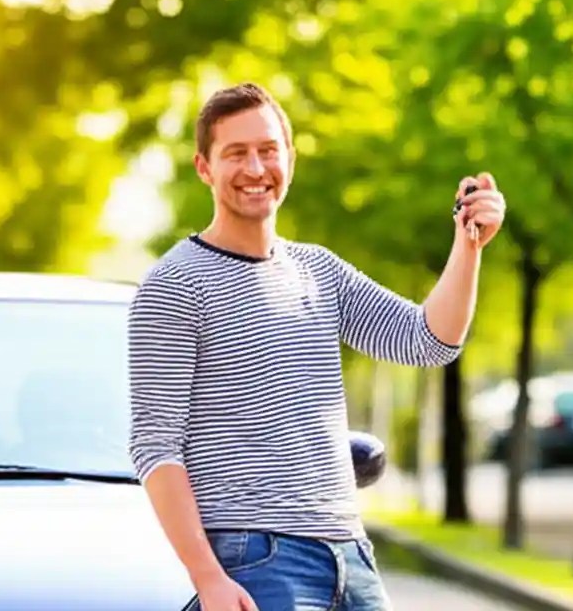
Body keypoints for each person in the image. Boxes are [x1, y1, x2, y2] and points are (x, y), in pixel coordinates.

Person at [126, 82, 506, 610]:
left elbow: (427, 342)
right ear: (204, 168)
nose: (256, 168)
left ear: (290, 160)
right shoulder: (175, 284)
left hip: (351, 554)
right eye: (235, 153)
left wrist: (468, 246)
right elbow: (154, 446)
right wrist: (207, 577)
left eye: (267, 150)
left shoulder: (318, 271)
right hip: (256, 560)